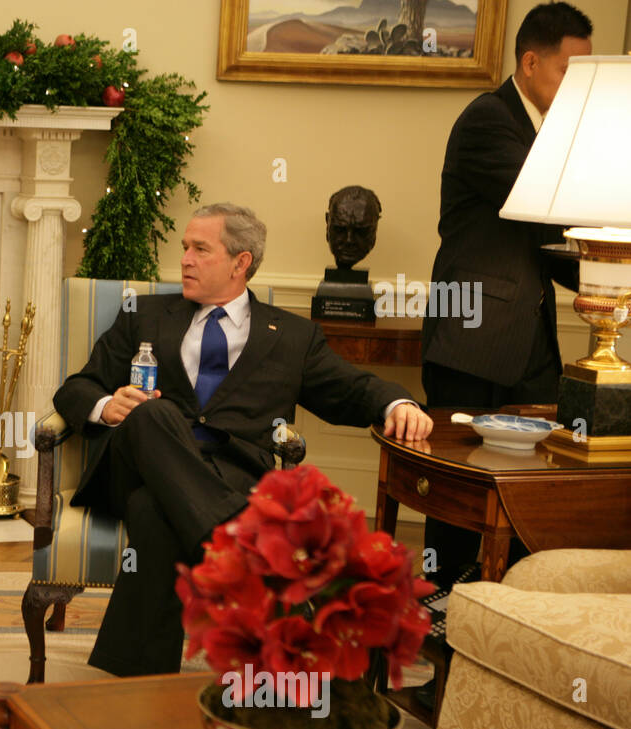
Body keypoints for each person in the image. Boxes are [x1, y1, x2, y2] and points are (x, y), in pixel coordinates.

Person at [54, 203, 433, 677]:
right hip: (139, 462)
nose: (185, 259)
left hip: (230, 475)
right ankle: (237, 537)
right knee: (154, 413)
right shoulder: (144, 315)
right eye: (184, 248)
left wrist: (400, 405)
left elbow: (350, 389)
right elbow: (75, 387)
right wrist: (107, 406)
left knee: (155, 513)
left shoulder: (292, 336)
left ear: (241, 262)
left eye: (200, 249)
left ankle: (138, 685)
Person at [421, 1, 590, 588]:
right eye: (570, 72)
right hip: (472, 336)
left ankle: (503, 618)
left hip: (529, 343)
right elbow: (547, 211)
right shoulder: (488, 120)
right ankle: (437, 627)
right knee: (458, 499)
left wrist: (611, 286)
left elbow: (545, 243)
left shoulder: (541, 130)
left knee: (526, 494)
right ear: (530, 61)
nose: (577, 89)